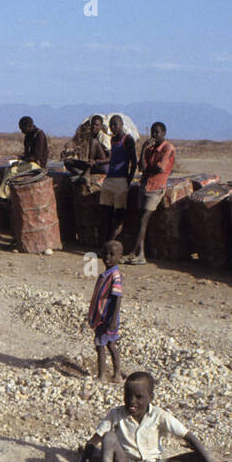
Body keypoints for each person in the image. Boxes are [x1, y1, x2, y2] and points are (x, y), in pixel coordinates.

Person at [75, 370, 232, 462]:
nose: (131, 401)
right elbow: (94, 441)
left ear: (151, 397)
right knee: (109, 437)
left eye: (139, 397)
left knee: (200, 458)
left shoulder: (159, 415)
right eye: (127, 395)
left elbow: (189, 437)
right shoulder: (116, 414)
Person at [126, 122, 175, 264]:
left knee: (143, 219)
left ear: (164, 133)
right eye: (152, 132)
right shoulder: (150, 149)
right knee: (141, 220)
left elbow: (160, 168)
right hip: (145, 186)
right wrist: (143, 149)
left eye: (157, 133)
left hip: (156, 188)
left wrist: (148, 168)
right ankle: (140, 255)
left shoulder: (168, 148)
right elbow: (141, 167)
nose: (154, 135)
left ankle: (133, 252)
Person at [83, 240, 124, 382]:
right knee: (110, 344)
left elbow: (117, 298)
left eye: (112, 254)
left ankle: (102, 375)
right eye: (105, 253)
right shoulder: (107, 274)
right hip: (103, 316)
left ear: (120, 256)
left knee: (101, 345)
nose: (108, 257)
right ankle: (117, 374)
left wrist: (113, 319)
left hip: (106, 318)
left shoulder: (115, 276)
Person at [100, 115, 136, 247]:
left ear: (121, 125)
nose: (113, 127)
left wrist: (128, 179)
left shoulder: (128, 139)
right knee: (106, 214)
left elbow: (134, 161)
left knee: (118, 215)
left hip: (121, 180)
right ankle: (105, 243)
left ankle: (111, 244)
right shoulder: (113, 140)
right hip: (109, 179)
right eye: (111, 125)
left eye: (116, 124)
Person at [0, 115, 49, 200]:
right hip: (30, 162)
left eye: (22, 129)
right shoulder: (28, 136)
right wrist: (19, 159)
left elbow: (36, 156)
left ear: (29, 126)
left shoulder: (39, 135)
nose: (21, 131)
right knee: (8, 169)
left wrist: (21, 161)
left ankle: (4, 196)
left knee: (13, 171)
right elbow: (27, 155)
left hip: (38, 165)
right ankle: (8, 192)